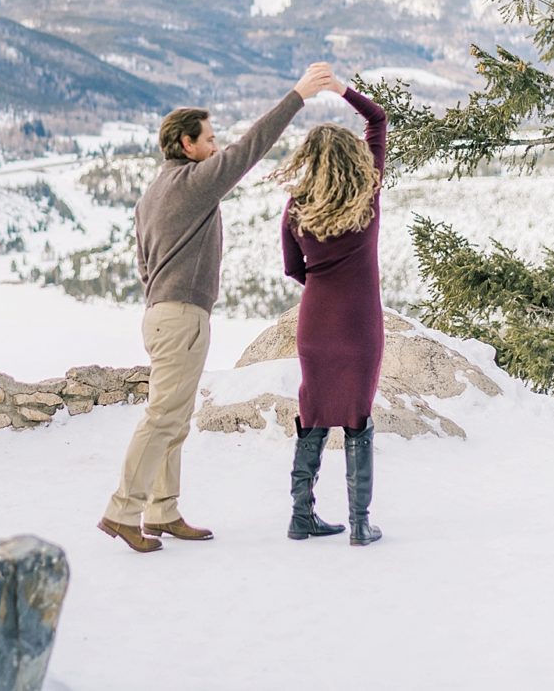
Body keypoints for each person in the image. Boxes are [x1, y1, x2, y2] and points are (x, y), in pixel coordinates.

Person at [98, 63, 334, 553]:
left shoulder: (151, 195)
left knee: (174, 418)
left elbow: (144, 264)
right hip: (181, 315)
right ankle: (123, 511)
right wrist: (298, 95)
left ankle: (162, 512)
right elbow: (251, 149)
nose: (215, 145)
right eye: (207, 138)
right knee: (164, 416)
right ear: (186, 145)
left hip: (160, 313)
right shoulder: (195, 183)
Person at [272, 76, 388, 547]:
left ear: (309, 161)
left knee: (313, 410)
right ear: (352, 159)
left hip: (315, 322)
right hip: (359, 321)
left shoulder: (297, 206)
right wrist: (341, 89)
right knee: (357, 414)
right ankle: (360, 525)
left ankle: (303, 517)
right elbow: (377, 120)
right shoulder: (369, 195)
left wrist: (321, 283)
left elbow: (292, 267)